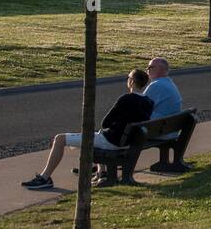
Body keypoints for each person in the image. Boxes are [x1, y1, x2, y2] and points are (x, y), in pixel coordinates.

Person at [21, 69, 154, 190]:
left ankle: (45, 178)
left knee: (60, 138)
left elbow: (105, 123)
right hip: (128, 143)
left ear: (131, 81)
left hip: (112, 142)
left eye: (128, 77)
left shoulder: (126, 99)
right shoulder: (148, 102)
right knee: (97, 135)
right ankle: (102, 172)